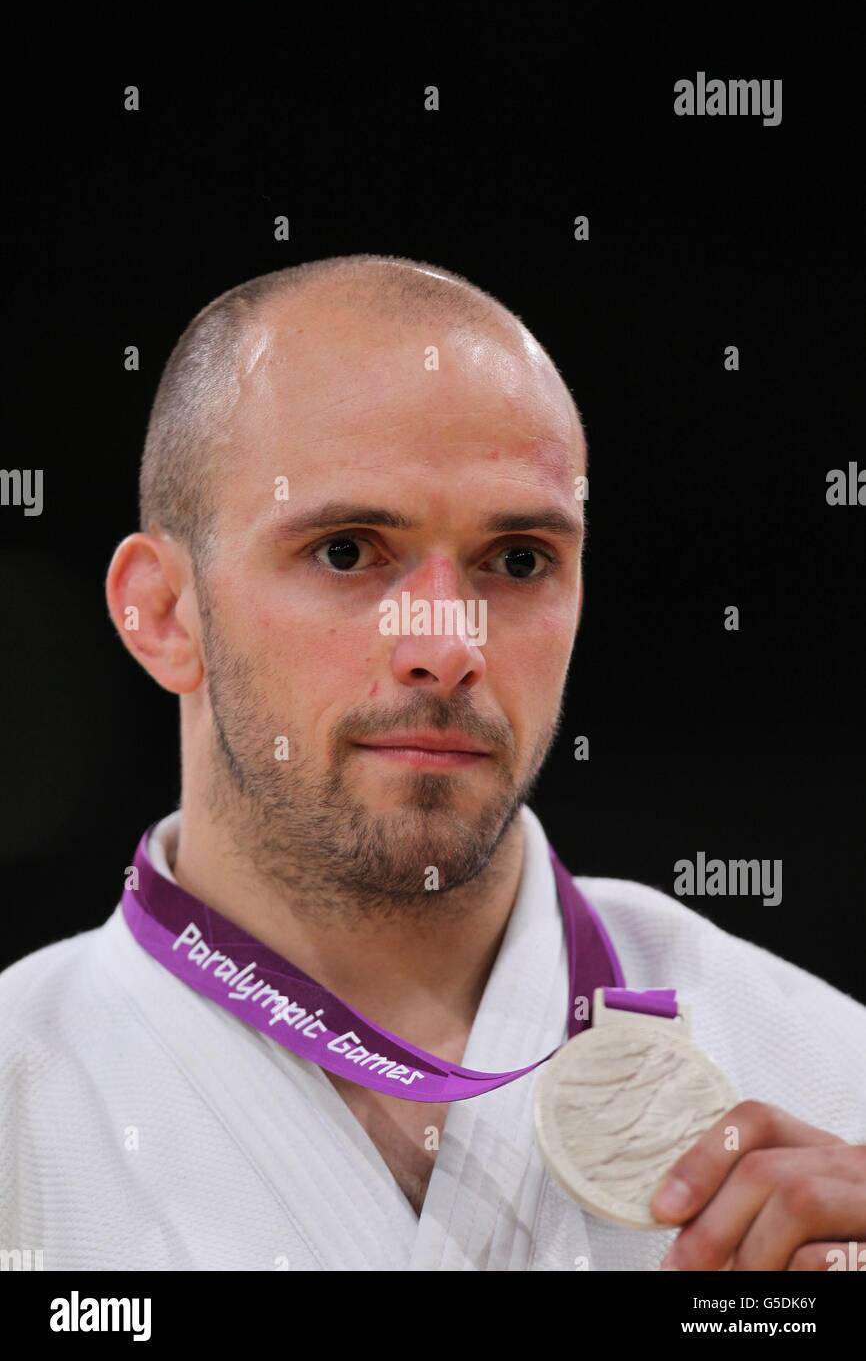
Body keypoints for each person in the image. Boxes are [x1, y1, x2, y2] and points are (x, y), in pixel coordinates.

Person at [2, 254, 865, 1272]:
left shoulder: (826, 1081)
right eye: (346, 550)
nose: (447, 643)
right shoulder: (21, 1099)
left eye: (517, 561)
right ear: (162, 611)